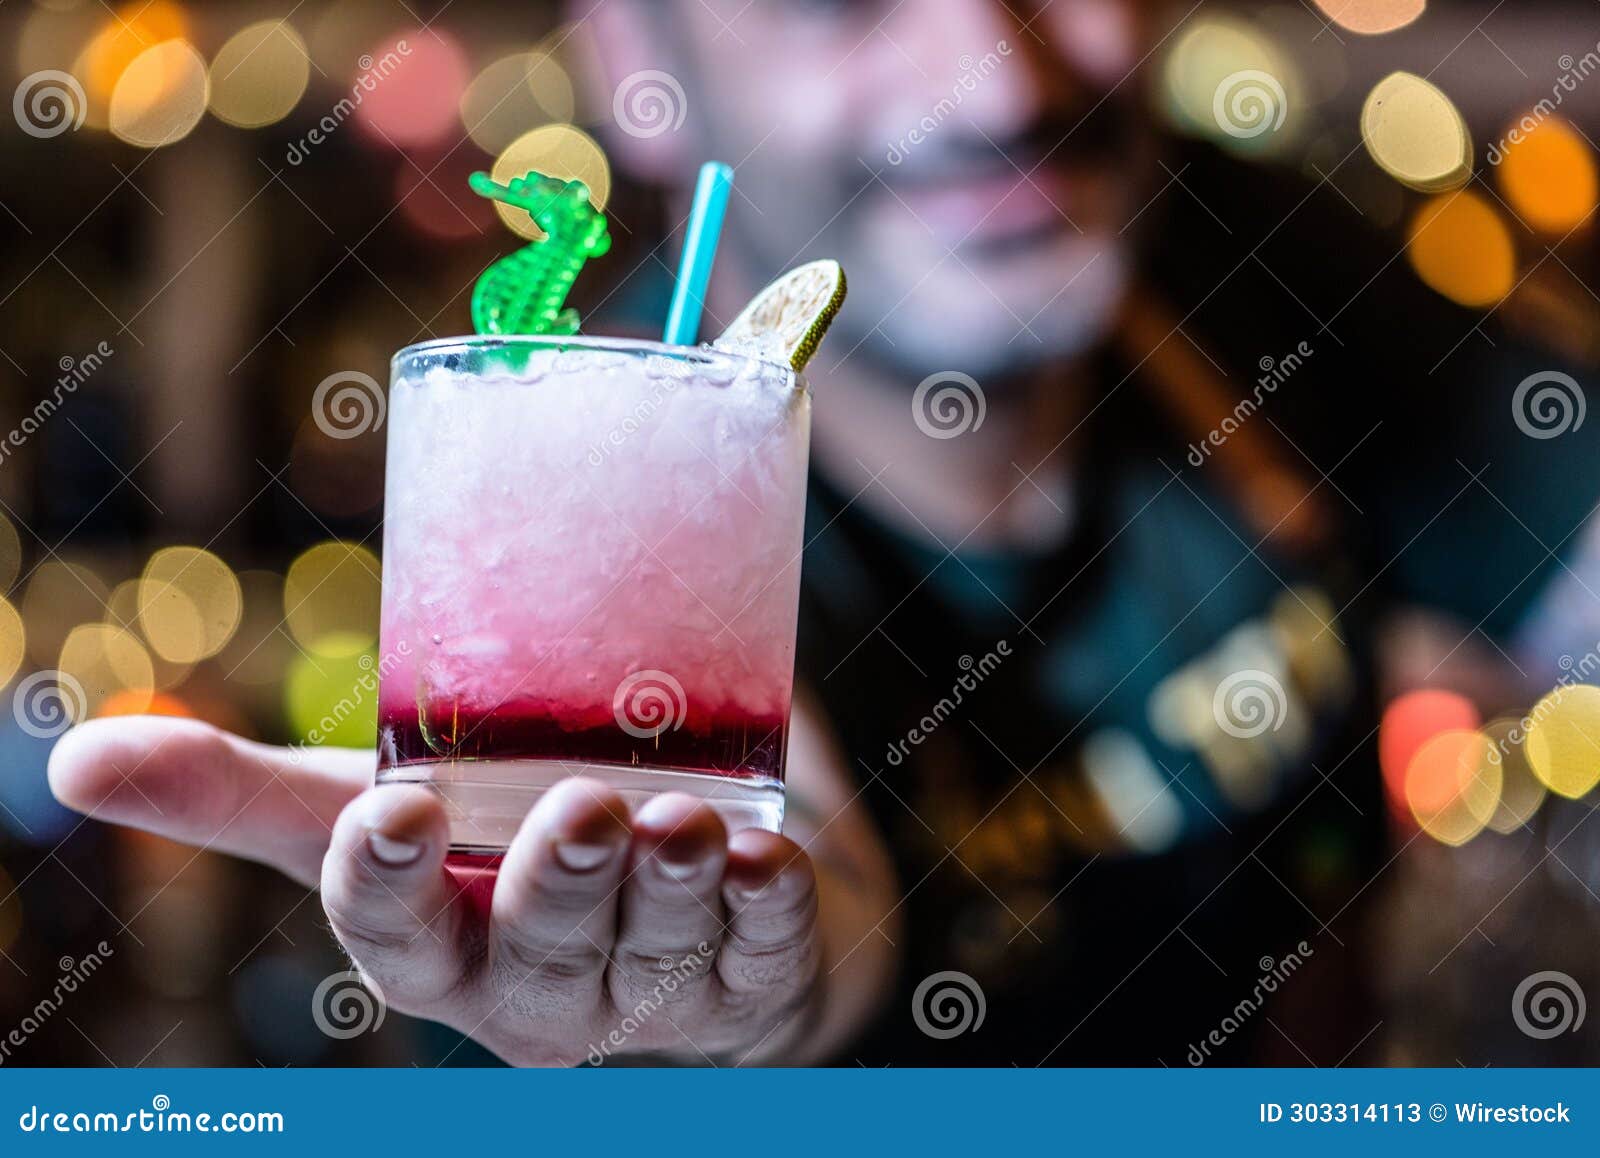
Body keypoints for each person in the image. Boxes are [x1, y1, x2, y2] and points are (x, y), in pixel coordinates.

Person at [47, 0, 1599, 1065]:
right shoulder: (587, 488)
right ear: (643, 61)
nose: (999, 80)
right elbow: (763, 873)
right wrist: (745, 991)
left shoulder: (1243, 260)